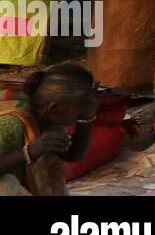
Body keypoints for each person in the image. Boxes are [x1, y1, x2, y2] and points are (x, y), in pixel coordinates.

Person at [0, 63, 97, 195]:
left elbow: (74, 155)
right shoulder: (10, 124)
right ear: (54, 109)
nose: (84, 110)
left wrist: (87, 118)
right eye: (81, 108)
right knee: (5, 183)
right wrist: (30, 152)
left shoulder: (50, 123)